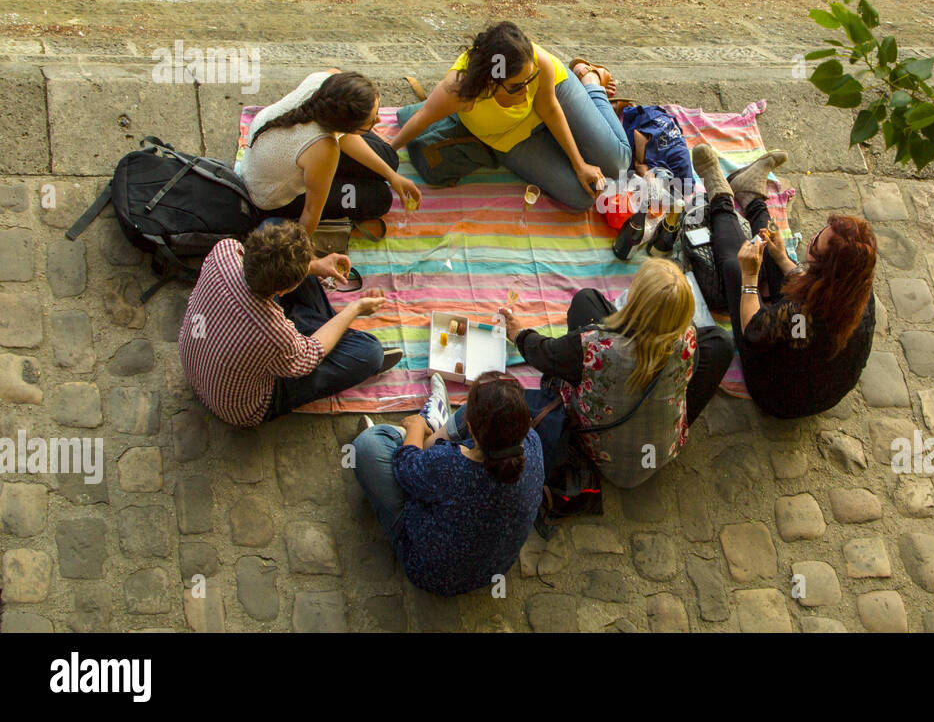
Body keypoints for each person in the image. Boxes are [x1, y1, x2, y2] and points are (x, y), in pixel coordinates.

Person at [471, 258, 733, 488]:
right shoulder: (687, 340)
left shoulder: (593, 346)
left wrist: (517, 332)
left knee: (585, 300)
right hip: (657, 454)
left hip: (603, 455)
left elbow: (546, 354)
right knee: (722, 343)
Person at [691, 144, 878, 418]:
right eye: (817, 236)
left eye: (814, 249)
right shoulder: (855, 287)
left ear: (827, 269)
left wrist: (751, 278)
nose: (810, 243)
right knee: (774, 250)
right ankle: (752, 196)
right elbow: (809, 282)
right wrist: (782, 260)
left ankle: (720, 198)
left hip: (779, 397)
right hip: (819, 381)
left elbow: (752, 328)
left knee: (737, 270)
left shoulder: (799, 315)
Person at [178, 219, 399, 429]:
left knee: (272, 224)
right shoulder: (274, 332)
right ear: (282, 292)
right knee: (370, 353)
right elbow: (312, 353)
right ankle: (323, 327)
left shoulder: (224, 251)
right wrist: (355, 309)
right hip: (237, 407)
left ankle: (312, 321)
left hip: (196, 361)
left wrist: (314, 266)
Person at [391, 22, 630, 210]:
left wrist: (579, 164)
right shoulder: (459, 90)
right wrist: (388, 153)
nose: (526, 91)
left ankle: (590, 80)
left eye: (529, 79)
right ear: (489, 80)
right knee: (583, 197)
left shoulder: (539, 64)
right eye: (516, 86)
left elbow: (548, 107)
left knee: (619, 164)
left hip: (553, 96)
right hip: (510, 136)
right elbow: (423, 116)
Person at [351, 372, 544, 596]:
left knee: (367, 446)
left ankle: (427, 423)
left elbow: (405, 465)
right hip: (494, 569)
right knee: (488, 407)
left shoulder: (451, 466)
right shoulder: (533, 443)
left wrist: (415, 425)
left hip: (432, 574)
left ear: (471, 430)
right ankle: (433, 429)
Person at [237, 70, 421, 235]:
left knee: (388, 160)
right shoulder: (324, 149)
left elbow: (343, 136)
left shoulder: (326, 80)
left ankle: (384, 169)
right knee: (380, 197)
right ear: (346, 126)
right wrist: (306, 259)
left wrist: (391, 175)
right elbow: (310, 212)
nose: (380, 120)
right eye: (372, 122)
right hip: (271, 198)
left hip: (283, 161)